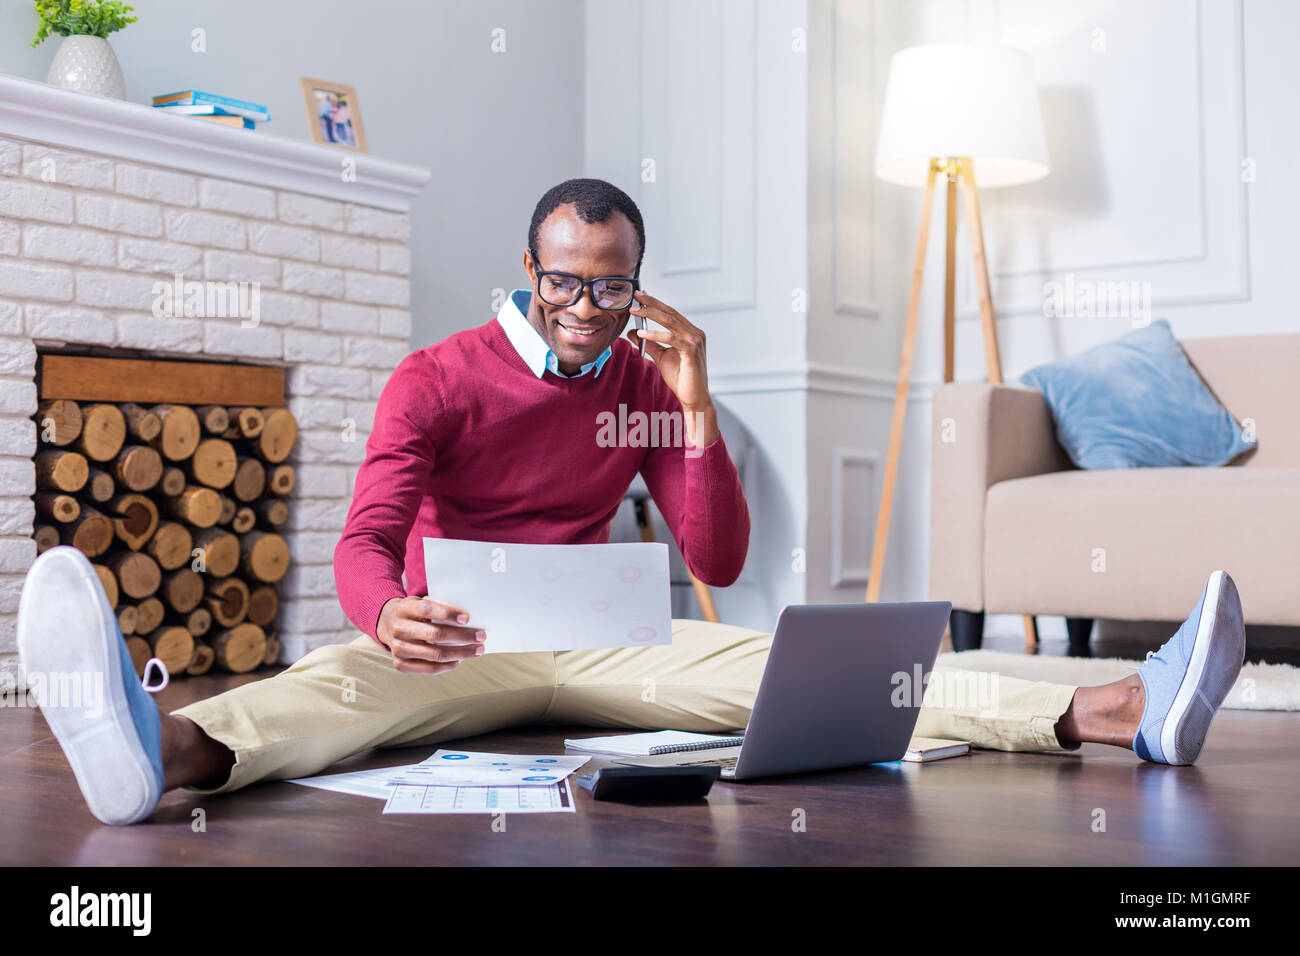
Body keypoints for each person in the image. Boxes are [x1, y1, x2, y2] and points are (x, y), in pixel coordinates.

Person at [16, 179, 1246, 826]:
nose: (585, 308)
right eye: (563, 281)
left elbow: (715, 546)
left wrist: (697, 399)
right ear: (529, 267)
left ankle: (1118, 703)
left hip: (612, 642)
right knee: (334, 688)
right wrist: (387, 610)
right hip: (461, 640)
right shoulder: (435, 377)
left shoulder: (652, 378)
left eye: (611, 288)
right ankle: (161, 749)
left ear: (636, 284)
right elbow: (365, 536)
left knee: (799, 668)